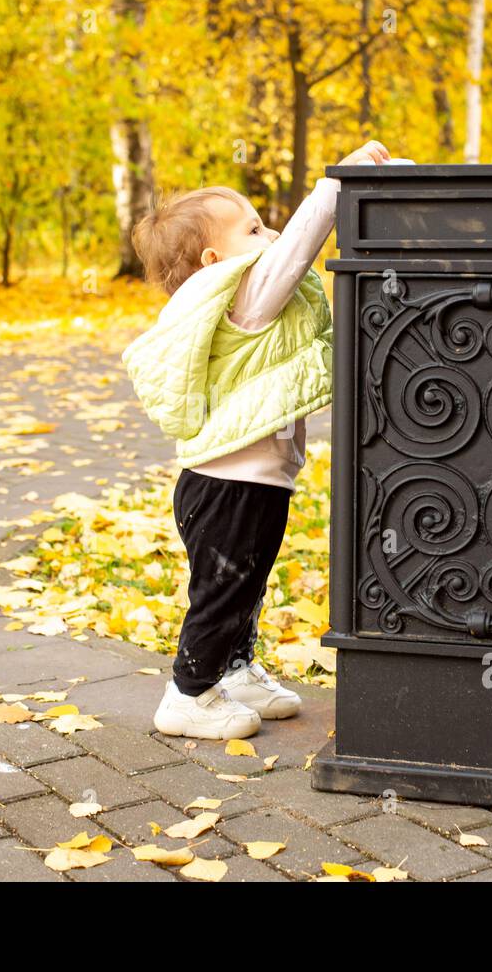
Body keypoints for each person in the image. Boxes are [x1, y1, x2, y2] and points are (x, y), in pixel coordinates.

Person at [122, 140, 392, 739]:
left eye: (266, 224)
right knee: (221, 594)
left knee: (246, 582)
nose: (269, 236)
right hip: (230, 489)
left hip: (242, 485)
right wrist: (335, 186)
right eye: (254, 228)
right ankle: (187, 694)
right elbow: (293, 255)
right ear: (215, 259)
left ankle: (235, 669)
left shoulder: (237, 302)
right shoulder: (243, 297)